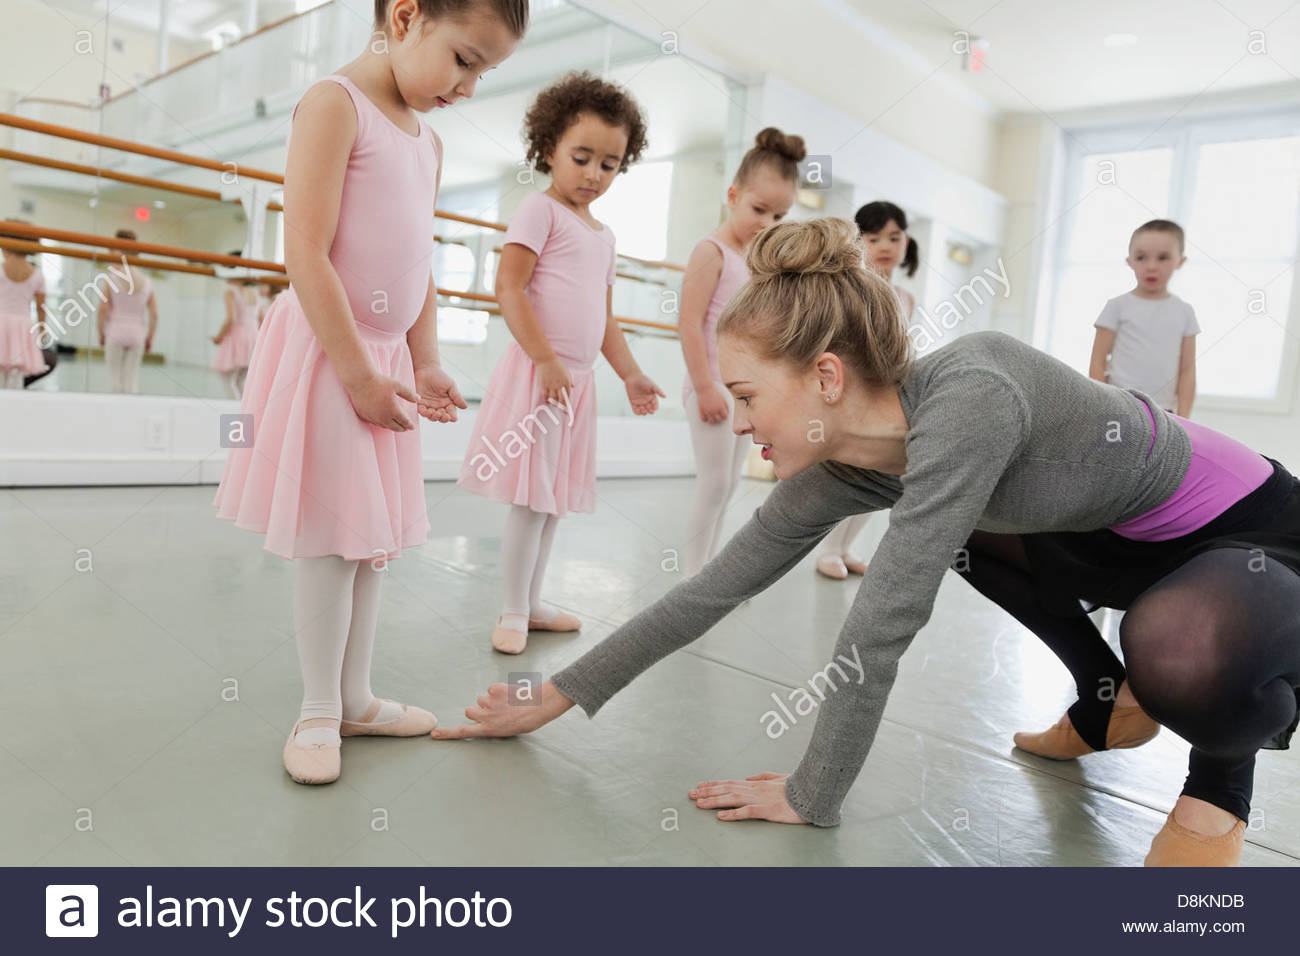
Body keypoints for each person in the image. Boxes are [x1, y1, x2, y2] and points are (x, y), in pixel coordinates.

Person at [434, 218, 1299, 867]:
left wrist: (816, 794)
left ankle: (1219, 778)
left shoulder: (971, 392)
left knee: (1181, 652)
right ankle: (1106, 688)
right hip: (1103, 536)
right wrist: (558, 697)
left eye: (746, 396)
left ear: (825, 376)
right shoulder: (853, 467)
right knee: (972, 542)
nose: (739, 424)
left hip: (1247, 529)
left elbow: (883, 618)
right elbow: (711, 589)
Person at [213, 0, 526, 785]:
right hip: (331, 351)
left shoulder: (429, 141)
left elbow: (415, 265)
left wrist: (423, 361)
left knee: (371, 543)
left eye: (484, 73)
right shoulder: (333, 103)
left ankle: (354, 697)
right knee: (327, 540)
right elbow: (306, 254)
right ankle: (318, 709)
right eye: (463, 60)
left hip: (384, 358)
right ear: (407, 15)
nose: (468, 87)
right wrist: (357, 371)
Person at [456, 71, 664, 655]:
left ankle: (535, 599)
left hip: (577, 385)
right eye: (581, 157)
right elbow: (510, 289)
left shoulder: (604, 235)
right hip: (538, 377)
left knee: (551, 504)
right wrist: (545, 359)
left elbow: (604, 319)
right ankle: (513, 608)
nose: (594, 174)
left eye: (609, 163)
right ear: (548, 149)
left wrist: (630, 373)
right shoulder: (538, 211)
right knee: (530, 499)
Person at [679, 127, 802, 577]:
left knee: (730, 482)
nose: (767, 224)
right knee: (712, 483)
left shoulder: (756, 262)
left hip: (743, 392)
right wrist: (704, 386)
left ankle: (707, 568)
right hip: (710, 387)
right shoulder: (711, 252)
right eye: (759, 210)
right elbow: (690, 323)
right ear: (732, 195)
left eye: (779, 216)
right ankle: (692, 575)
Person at [816, 201, 918, 580]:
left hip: (887, 395)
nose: (886, 246)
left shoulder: (906, 298)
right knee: (849, 473)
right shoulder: (854, 289)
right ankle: (828, 549)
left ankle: (845, 547)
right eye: (874, 238)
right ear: (859, 242)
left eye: (894, 237)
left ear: (906, 241)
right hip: (853, 394)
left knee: (881, 474)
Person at [1089, 218, 1199, 417]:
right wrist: (1102, 407)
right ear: (1129, 261)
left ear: (1180, 261)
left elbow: (1188, 370)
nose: (1151, 266)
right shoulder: (1117, 306)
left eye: (1163, 257)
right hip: (1119, 407)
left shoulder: (1184, 312)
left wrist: (1184, 419)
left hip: (1165, 413)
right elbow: (1097, 362)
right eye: (1141, 258)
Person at [97, 230, 158, 395]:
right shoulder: (146, 281)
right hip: (137, 333)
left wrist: (100, 332)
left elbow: (102, 309)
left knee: (115, 380)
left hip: (115, 330)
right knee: (131, 380)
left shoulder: (112, 278)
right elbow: (154, 314)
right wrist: (150, 336)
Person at [0, 222, 48, 389]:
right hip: (23, 324)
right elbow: (41, 307)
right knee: (16, 375)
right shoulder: (37, 275)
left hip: (2, 321)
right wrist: (42, 330)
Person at [211, 266, 260, 398]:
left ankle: (234, 414)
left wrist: (218, 337)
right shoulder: (254, 292)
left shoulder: (230, 292)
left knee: (227, 379)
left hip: (238, 335)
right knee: (240, 381)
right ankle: (245, 413)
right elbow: (258, 318)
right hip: (253, 336)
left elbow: (230, 319)